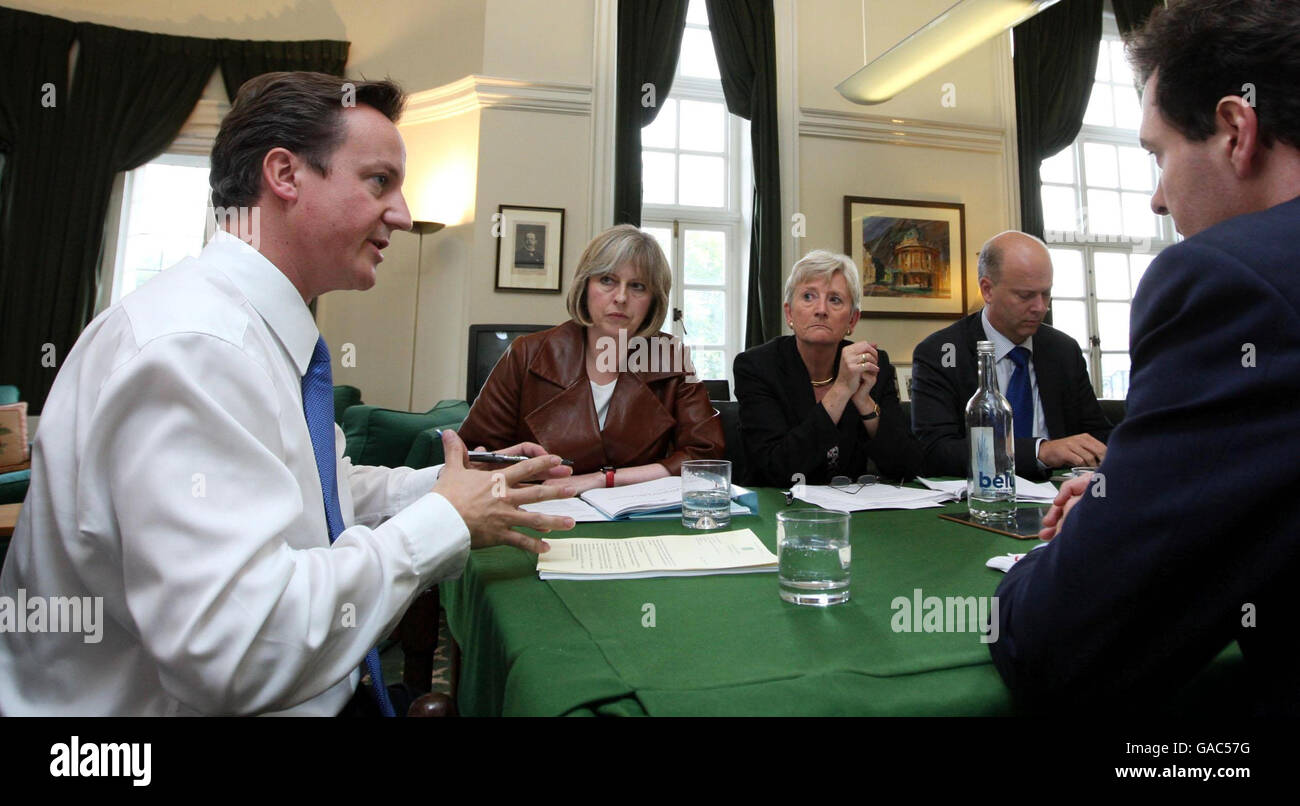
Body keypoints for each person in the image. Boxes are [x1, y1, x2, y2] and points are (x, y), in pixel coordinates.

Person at [0, 73, 575, 717]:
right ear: (285, 174)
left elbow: (312, 496)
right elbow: (237, 647)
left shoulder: (256, 331)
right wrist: (442, 523)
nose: (404, 215)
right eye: (379, 181)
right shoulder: (196, 349)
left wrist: (451, 487)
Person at [991, 0, 1300, 715]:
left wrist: (1083, 542)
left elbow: (1057, 644)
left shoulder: (1229, 281)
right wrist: (1129, 496)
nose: (1157, 199)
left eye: (1158, 155)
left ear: (1235, 130)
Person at [457, 224, 724, 493]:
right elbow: (477, 455)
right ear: (585, 285)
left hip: (636, 516)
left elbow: (705, 457)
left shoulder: (670, 356)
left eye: (637, 286)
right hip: (541, 506)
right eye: (607, 280)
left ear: (654, 300)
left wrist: (603, 479)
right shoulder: (526, 354)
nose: (620, 297)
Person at [910, 231, 1111, 480]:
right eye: (1025, 296)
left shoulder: (1063, 350)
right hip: (978, 498)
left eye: (1046, 294)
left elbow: (1097, 435)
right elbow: (936, 452)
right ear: (987, 290)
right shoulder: (940, 352)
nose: (1040, 307)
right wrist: (1040, 451)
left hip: (1059, 495)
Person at [734, 250, 921, 487]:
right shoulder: (756, 367)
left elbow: (908, 467)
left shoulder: (872, 364)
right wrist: (841, 389)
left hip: (852, 512)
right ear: (789, 313)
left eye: (835, 300)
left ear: (852, 320)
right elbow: (775, 469)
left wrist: (864, 403)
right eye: (809, 296)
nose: (821, 309)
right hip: (777, 512)